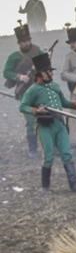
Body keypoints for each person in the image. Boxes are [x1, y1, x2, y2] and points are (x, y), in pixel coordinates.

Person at [18, 51, 76, 190]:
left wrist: (74, 105)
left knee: (66, 154)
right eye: (48, 72)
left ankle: (74, 186)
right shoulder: (33, 90)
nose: (52, 74)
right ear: (40, 74)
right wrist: (36, 111)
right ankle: (45, 187)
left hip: (59, 124)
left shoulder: (55, 86)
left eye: (51, 72)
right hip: (45, 127)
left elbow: (63, 102)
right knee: (48, 157)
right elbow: (22, 106)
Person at [4, 22, 42, 156]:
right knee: (31, 121)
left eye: (28, 41)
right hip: (24, 93)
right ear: (19, 43)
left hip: (39, 90)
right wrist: (19, 77)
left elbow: (45, 67)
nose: (26, 44)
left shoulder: (37, 51)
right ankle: (33, 149)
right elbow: (6, 73)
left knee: (47, 117)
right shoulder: (14, 57)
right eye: (23, 42)